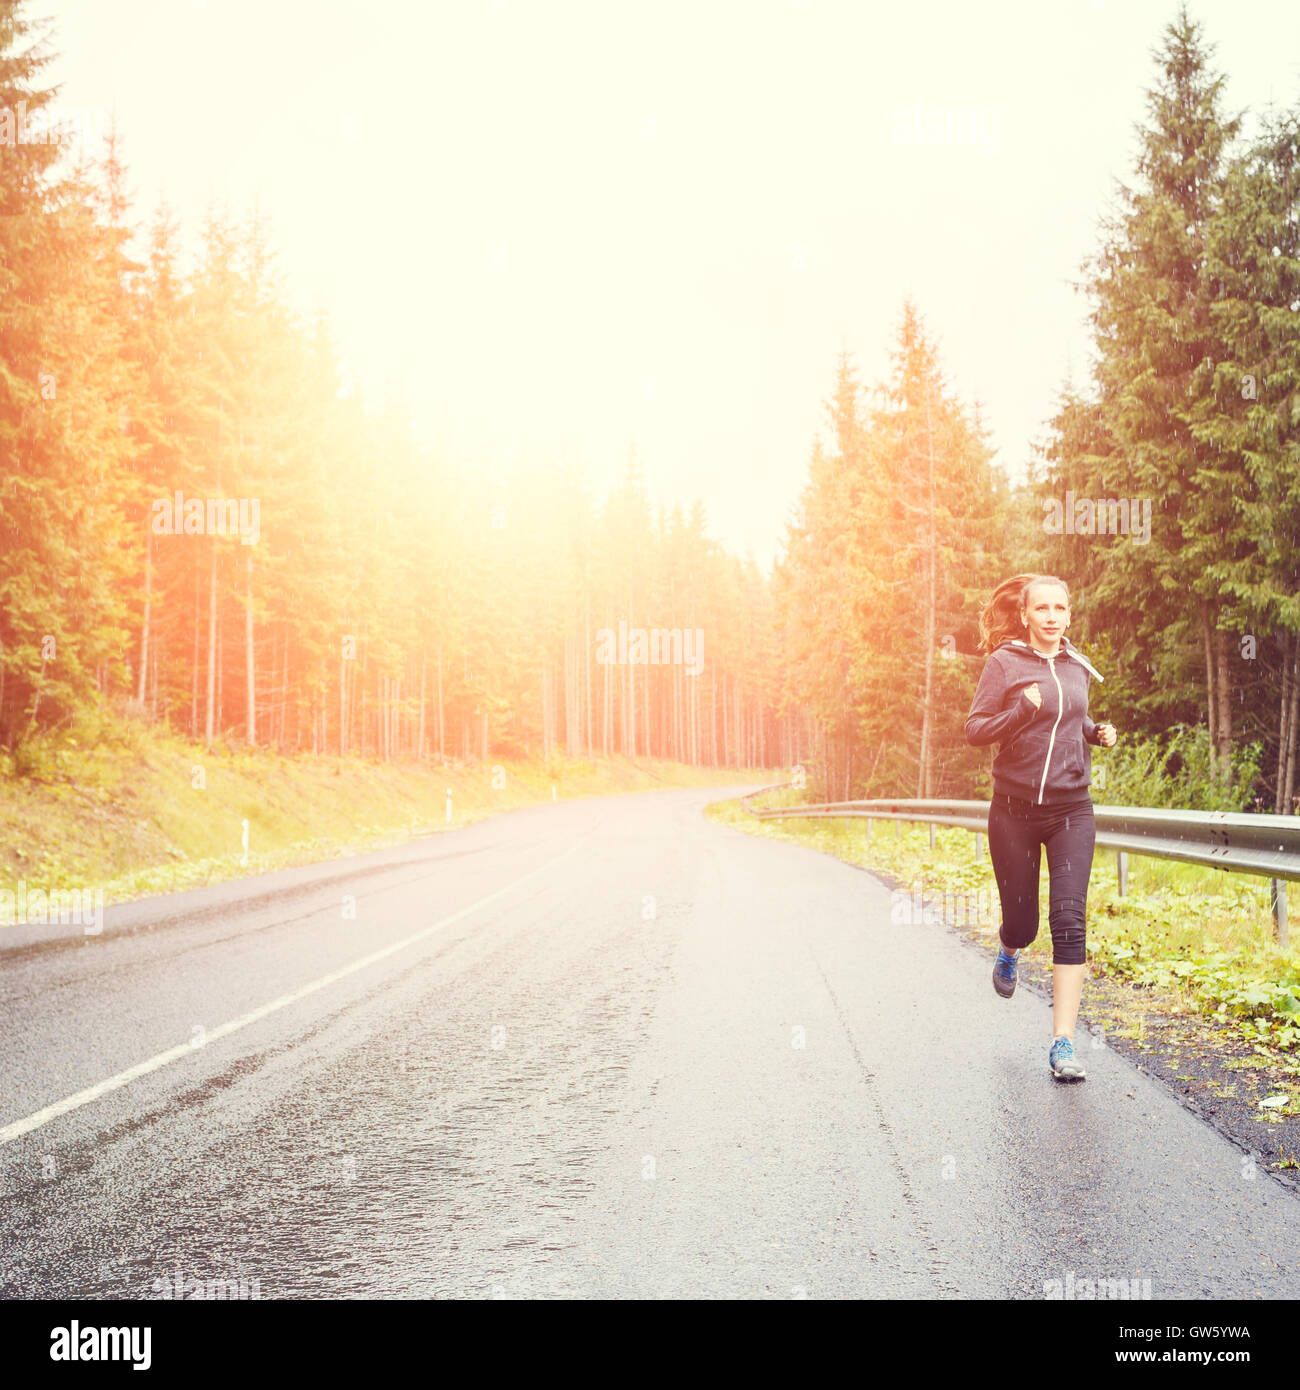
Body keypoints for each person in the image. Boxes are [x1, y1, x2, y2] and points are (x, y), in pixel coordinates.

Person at [964, 573, 1117, 1082]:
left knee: (1070, 919)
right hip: (1014, 811)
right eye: (1042, 608)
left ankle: (1063, 1043)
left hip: (1071, 809)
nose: (1052, 616)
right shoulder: (1004, 663)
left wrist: (1097, 733)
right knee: (1025, 923)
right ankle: (1008, 949)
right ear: (1026, 615)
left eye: (1060, 608)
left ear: (1069, 615)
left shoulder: (1076, 665)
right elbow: (975, 730)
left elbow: (1073, 719)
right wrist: (1018, 710)